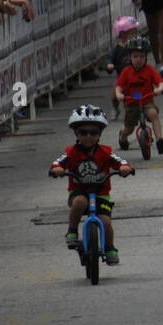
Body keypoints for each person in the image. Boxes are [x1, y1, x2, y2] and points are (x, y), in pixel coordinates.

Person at [49, 106, 134, 265]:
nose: (88, 136)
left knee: (105, 222)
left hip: (101, 194)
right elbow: (58, 163)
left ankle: (109, 247)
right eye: (83, 132)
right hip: (79, 192)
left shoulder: (106, 151)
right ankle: (72, 231)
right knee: (80, 202)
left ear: (100, 134)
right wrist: (57, 169)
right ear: (76, 133)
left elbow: (120, 161)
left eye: (93, 132)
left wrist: (124, 168)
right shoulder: (71, 152)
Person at [115, 36, 163, 154]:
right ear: (130, 57)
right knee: (129, 129)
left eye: (142, 56)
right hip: (131, 103)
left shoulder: (149, 70)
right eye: (135, 56)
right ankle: (122, 137)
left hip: (147, 101)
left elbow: (160, 82)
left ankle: (160, 139)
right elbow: (118, 86)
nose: (139, 60)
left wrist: (159, 89)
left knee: (153, 114)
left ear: (146, 57)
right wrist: (119, 94)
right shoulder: (126, 71)